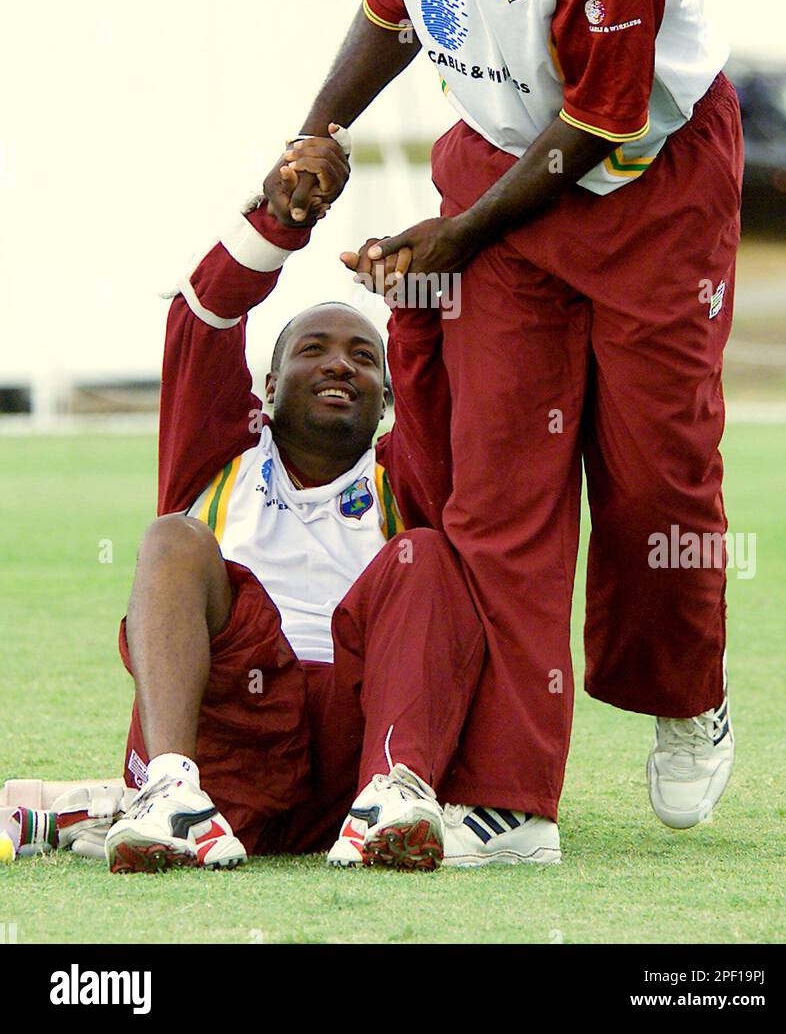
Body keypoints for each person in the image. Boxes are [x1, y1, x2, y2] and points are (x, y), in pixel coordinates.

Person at [265, 0, 740, 855]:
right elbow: (390, 10)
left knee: (652, 479)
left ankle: (687, 699)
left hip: (643, 183)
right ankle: (508, 795)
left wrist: (455, 237)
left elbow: (596, 125)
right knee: (494, 479)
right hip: (494, 164)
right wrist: (315, 132)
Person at [104, 132, 495, 874]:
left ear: (385, 400)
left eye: (361, 355)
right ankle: (167, 792)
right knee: (171, 537)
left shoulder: (401, 481)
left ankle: (399, 796)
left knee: (427, 550)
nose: (339, 362)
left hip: (361, 747)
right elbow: (201, 322)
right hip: (231, 742)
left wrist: (406, 300)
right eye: (311, 350)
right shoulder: (220, 465)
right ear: (268, 389)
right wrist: (277, 223)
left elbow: (437, 395)